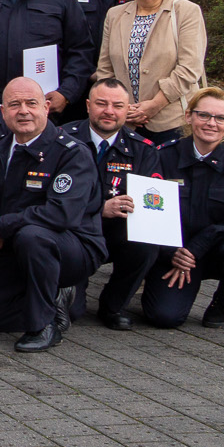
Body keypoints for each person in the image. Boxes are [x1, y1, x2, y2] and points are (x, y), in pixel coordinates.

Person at [0, 77, 103, 352]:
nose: (23, 111)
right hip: (13, 248)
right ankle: (49, 303)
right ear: (2, 112)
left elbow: (62, 214)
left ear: (46, 107)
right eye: (14, 105)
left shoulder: (72, 154)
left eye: (31, 103)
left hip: (71, 248)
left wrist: (2, 227)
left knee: (33, 236)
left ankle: (44, 325)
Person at [143, 87, 224, 329]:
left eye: (220, 118)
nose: (212, 123)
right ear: (189, 116)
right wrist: (172, 252)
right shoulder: (162, 156)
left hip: (219, 250)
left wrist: (197, 246)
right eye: (204, 115)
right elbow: (148, 214)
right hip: (176, 254)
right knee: (163, 317)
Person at [94, 0, 206, 145]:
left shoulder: (186, 12)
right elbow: (105, 69)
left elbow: (190, 69)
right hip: (125, 123)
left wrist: (154, 105)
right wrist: (119, 107)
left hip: (172, 123)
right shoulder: (115, 15)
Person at [82, 78, 165, 329]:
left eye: (118, 105)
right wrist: (99, 209)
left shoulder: (144, 150)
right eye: (101, 103)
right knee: (72, 311)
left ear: (127, 110)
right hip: (73, 228)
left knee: (147, 243)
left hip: (117, 231)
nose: (109, 111)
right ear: (88, 106)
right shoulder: (63, 138)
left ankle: (113, 305)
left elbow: (152, 206)